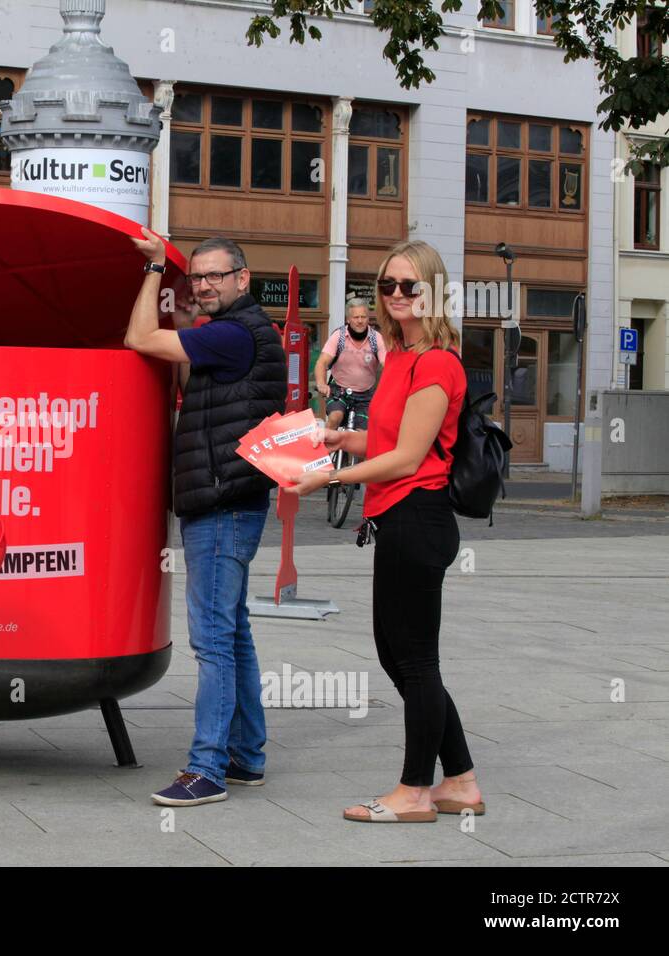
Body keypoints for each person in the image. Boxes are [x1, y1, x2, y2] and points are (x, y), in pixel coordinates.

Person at [287, 239, 477, 824]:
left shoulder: (437, 362)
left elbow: (409, 458)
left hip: (418, 517)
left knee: (415, 660)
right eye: (388, 285)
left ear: (433, 293)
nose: (396, 295)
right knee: (399, 655)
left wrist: (331, 478)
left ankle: (415, 791)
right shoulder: (399, 357)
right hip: (396, 518)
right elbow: (389, 441)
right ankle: (462, 781)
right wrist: (346, 440)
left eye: (410, 286)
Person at [125, 232, 287, 807]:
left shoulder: (234, 334)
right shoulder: (240, 336)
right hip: (231, 503)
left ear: (243, 278)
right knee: (235, 634)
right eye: (197, 277)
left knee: (214, 642)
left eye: (216, 275)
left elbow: (139, 338)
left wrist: (151, 271)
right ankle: (247, 756)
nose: (205, 285)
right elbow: (196, 386)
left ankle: (208, 769)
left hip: (221, 506)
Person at [314, 298, 386, 431]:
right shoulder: (339, 336)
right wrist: (321, 384)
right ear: (348, 319)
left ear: (368, 318)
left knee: (363, 435)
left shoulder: (376, 338)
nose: (360, 321)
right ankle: (325, 451)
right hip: (339, 390)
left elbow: (388, 365)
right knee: (335, 417)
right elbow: (322, 362)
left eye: (363, 317)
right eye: (356, 317)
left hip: (366, 395)